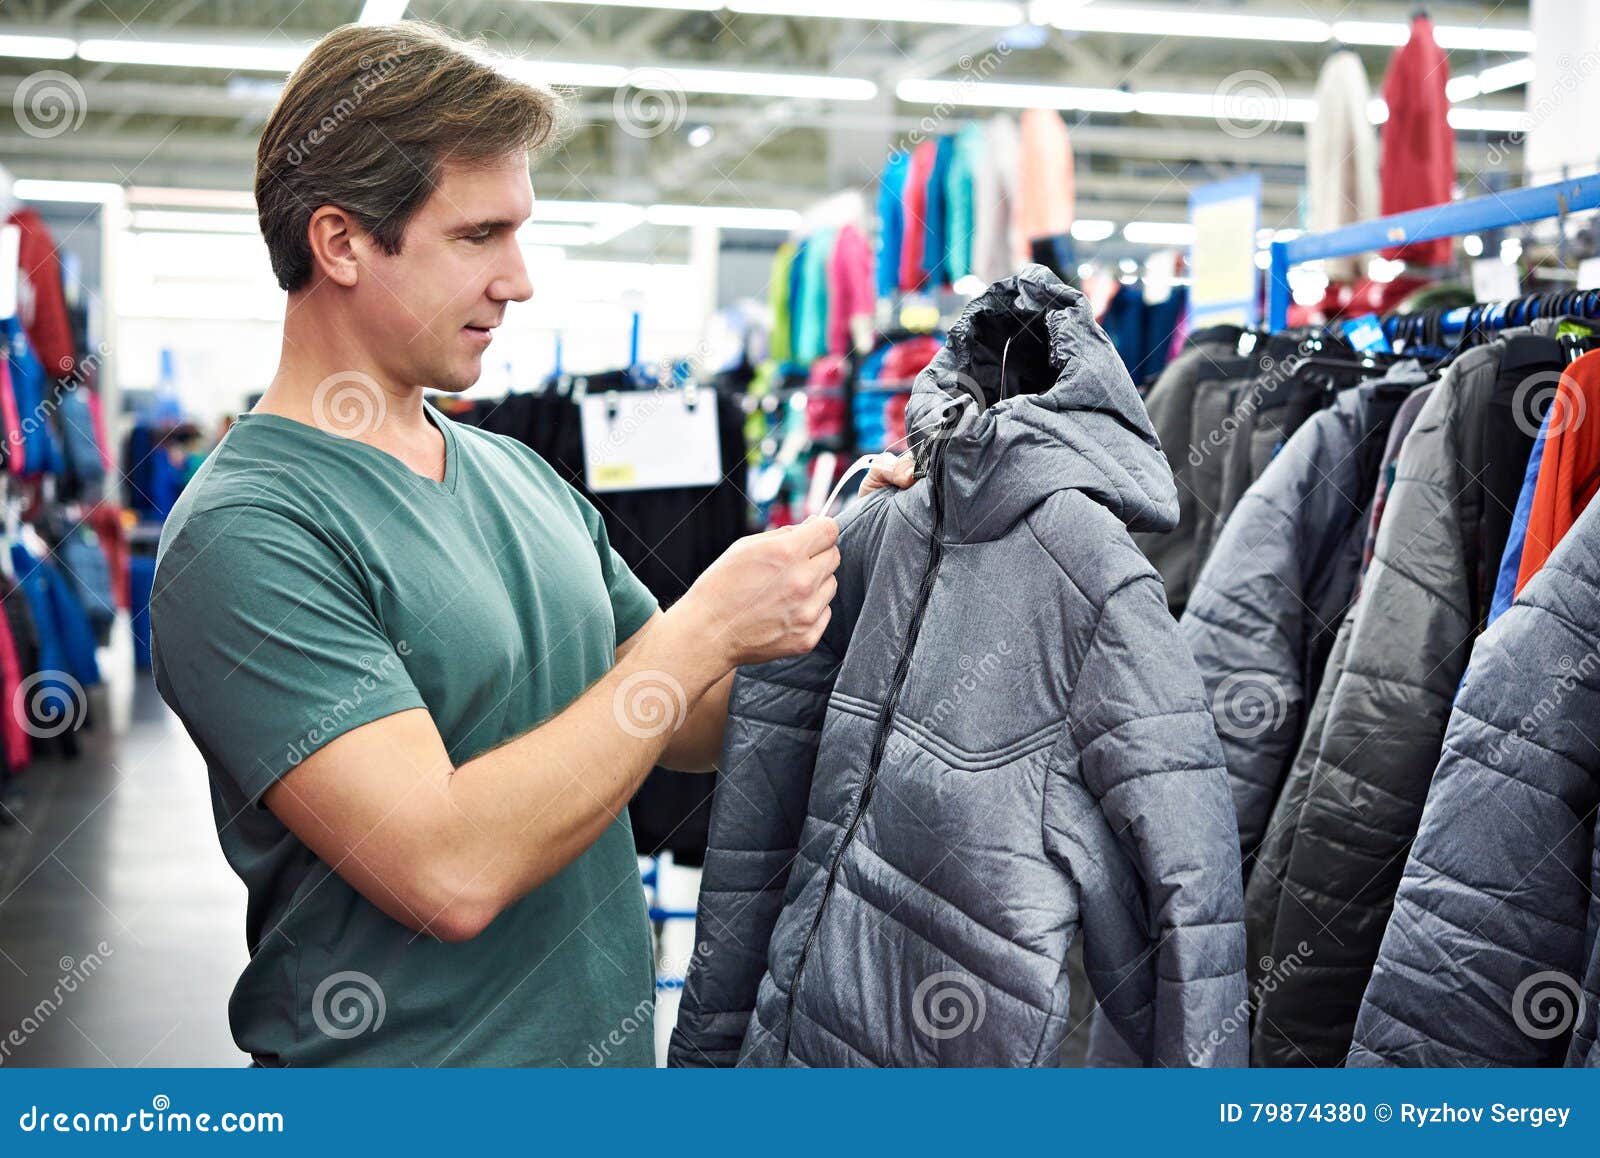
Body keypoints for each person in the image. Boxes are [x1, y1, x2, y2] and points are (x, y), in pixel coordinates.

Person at [150, 20, 913, 1067]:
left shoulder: (515, 474)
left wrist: (866, 551)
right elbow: (444, 870)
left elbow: (680, 719)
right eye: (478, 236)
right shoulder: (250, 533)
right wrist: (701, 627)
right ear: (338, 241)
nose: (518, 279)